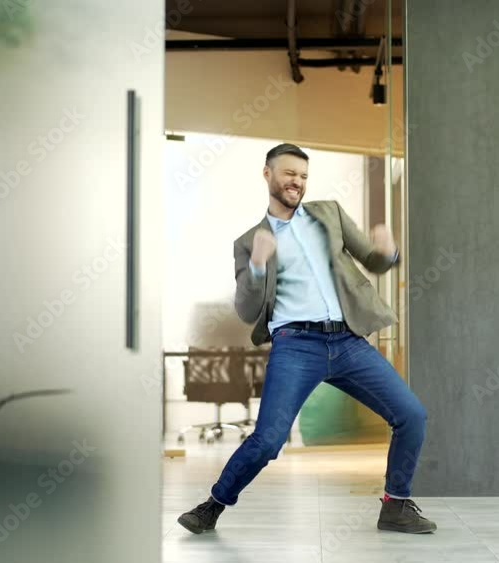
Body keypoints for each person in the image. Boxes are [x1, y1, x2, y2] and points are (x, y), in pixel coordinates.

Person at [178, 143, 436, 535]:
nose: (296, 182)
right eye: (288, 174)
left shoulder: (327, 214)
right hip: (296, 345)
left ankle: (396, 506)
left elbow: (373, 258)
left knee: (412, 415)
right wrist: (259, 265)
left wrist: (388, 251)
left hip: (347, 341)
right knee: (268, 441)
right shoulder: (249, 242)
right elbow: (247, 309)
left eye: (302, 175)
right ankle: (212, 505)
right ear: (268, 174)